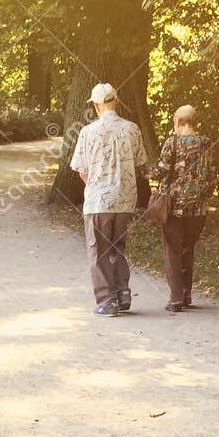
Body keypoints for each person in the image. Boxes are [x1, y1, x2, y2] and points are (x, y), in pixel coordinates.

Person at [70, 82, 149, 316]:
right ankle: (123, 292)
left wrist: (97, 185)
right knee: (117, 247)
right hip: (125, 200)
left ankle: (106, 300)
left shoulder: (87, 132)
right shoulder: (132, 129)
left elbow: (81, 169)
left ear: (96, 106)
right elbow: (139, 162)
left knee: (98, 250)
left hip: (98, 201)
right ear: (115, 101)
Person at [149, 105, 214, 312]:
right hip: (198, 209)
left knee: (173, 250)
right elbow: (213, 176)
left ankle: (176, 299)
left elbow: (160, 171)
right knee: (188, 248)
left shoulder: (173, 142)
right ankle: (186, 294)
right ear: (195, 122)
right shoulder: (207, 143)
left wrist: (144, 172)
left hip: (174, 207)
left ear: (177, 122)